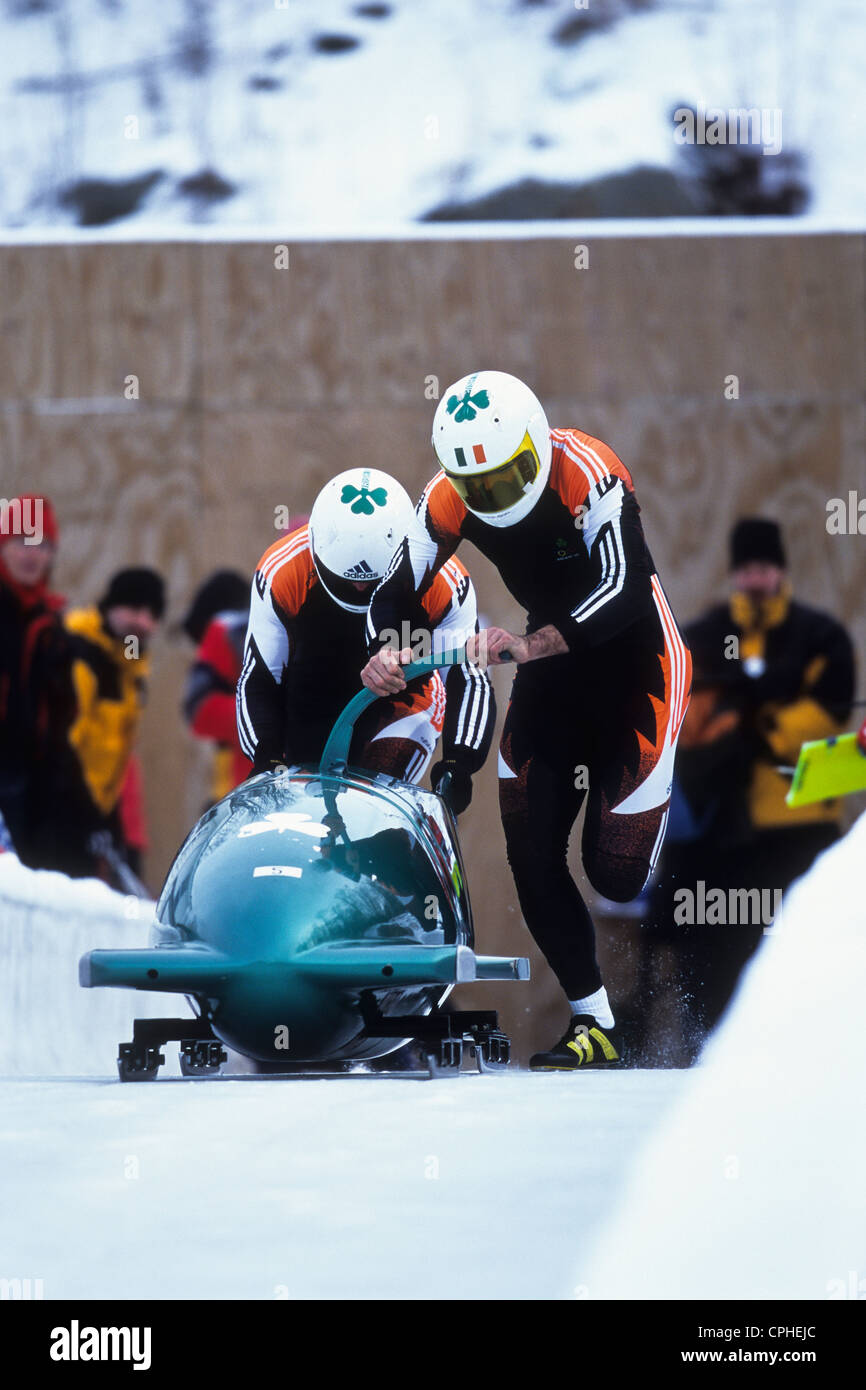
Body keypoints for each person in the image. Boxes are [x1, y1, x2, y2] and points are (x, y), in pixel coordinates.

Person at [362, 371, 692, 1069]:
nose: (493, 496)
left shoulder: (589, 471)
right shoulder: (446, 495)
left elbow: (626, 590)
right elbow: (395, 590)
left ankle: (651, 798)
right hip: (551, 666)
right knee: (530, 847)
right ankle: (593, 1023)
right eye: (478, 487)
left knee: (616, 876)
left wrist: (527, 644)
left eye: (509, 476)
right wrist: (385, 649)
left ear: (535, 444)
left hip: (639, 663)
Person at [645, 517, 855, 1056]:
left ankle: (803, 1059)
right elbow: (682, 711)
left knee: (801, 951)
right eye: (748, 569)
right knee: (713, 957)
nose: (757, 579)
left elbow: (826, 714)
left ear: (780, 569)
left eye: (765, 568)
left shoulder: (819, 636)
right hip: (720, 839)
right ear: (736, 574)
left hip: (798, 832)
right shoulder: (706, 634)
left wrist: (755, 723)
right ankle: (715, 1062)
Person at [237, 468, 494, 810]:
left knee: (368, 808)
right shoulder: (282, 570)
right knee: (305, 811)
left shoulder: (446, 581)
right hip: (308, 699)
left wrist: (459, 764)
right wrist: (266, 762)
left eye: (372, 582)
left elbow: (469, 675)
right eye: (347, 580)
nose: (359, 588)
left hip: (404, 703)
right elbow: (259, 677)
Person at [63, 568, 166, 880]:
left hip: (97, 816)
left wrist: (111, 823)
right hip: (62, 813)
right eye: (135, 610)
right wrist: (85, 812)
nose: (144, 623)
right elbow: (65, 744)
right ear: (111, 607)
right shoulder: (79, 656)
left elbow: (118, 752)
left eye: (153, 614)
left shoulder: (128, 668)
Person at [0, 494, 80, 869]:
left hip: (34, 790)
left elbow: (64, 719)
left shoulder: (53, 624)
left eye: (43, 545)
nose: (32, 556)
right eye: (22, 542)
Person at [180, 570, 252, 804]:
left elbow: (198, 709)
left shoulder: (229, 629)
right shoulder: (230, 630)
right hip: (242, 793)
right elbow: (200, 709)